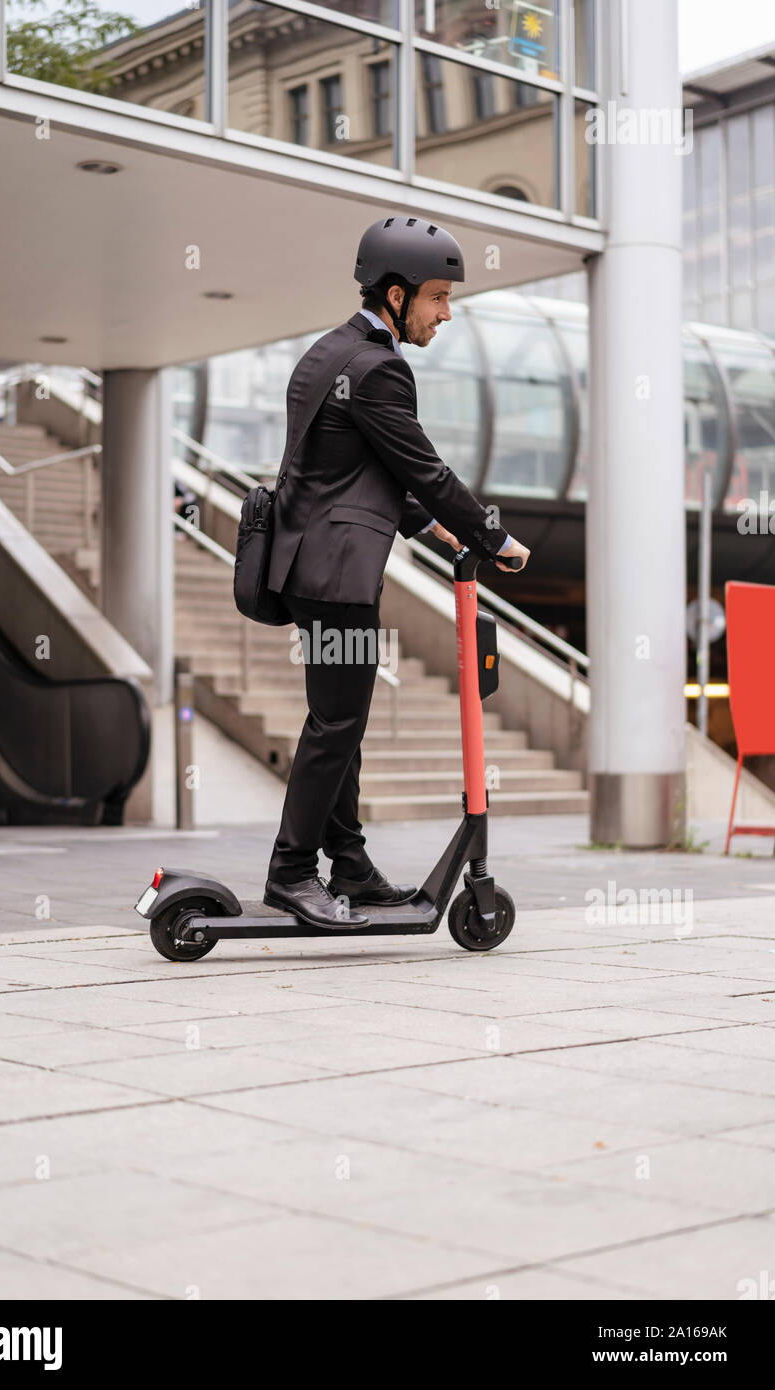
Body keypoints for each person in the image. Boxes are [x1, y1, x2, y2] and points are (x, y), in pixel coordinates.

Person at [263, 215, 530, 928]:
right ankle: (291, 872)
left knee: (340, 722)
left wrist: (430, 526)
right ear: (395, 294)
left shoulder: (327, 353)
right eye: (438, 297)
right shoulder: (380, 369)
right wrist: (492, 536)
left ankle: (348, 866)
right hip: (338, 576)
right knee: (336, 724)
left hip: (309, 568)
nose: (446, 314)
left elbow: (350, 465)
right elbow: (423, 468)